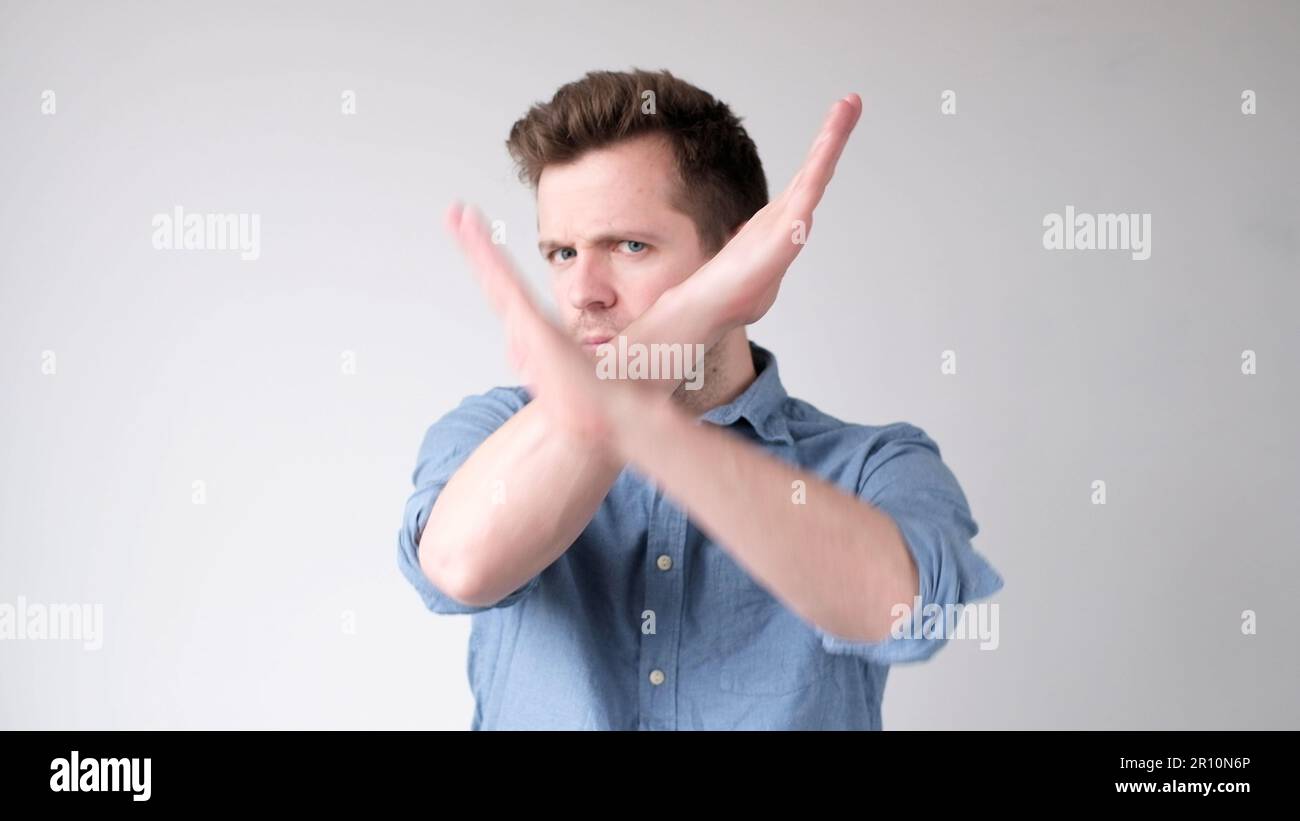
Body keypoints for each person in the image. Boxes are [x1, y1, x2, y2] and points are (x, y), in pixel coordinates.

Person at [397, 68, 1003, 730]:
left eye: (629, 245)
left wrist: (628, 411)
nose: (582, 291)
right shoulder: (496, 432)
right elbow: (461, 565)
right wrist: (667, 342)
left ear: (741, 254)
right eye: (562, 252)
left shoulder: (874, 463)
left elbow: (899, 608)